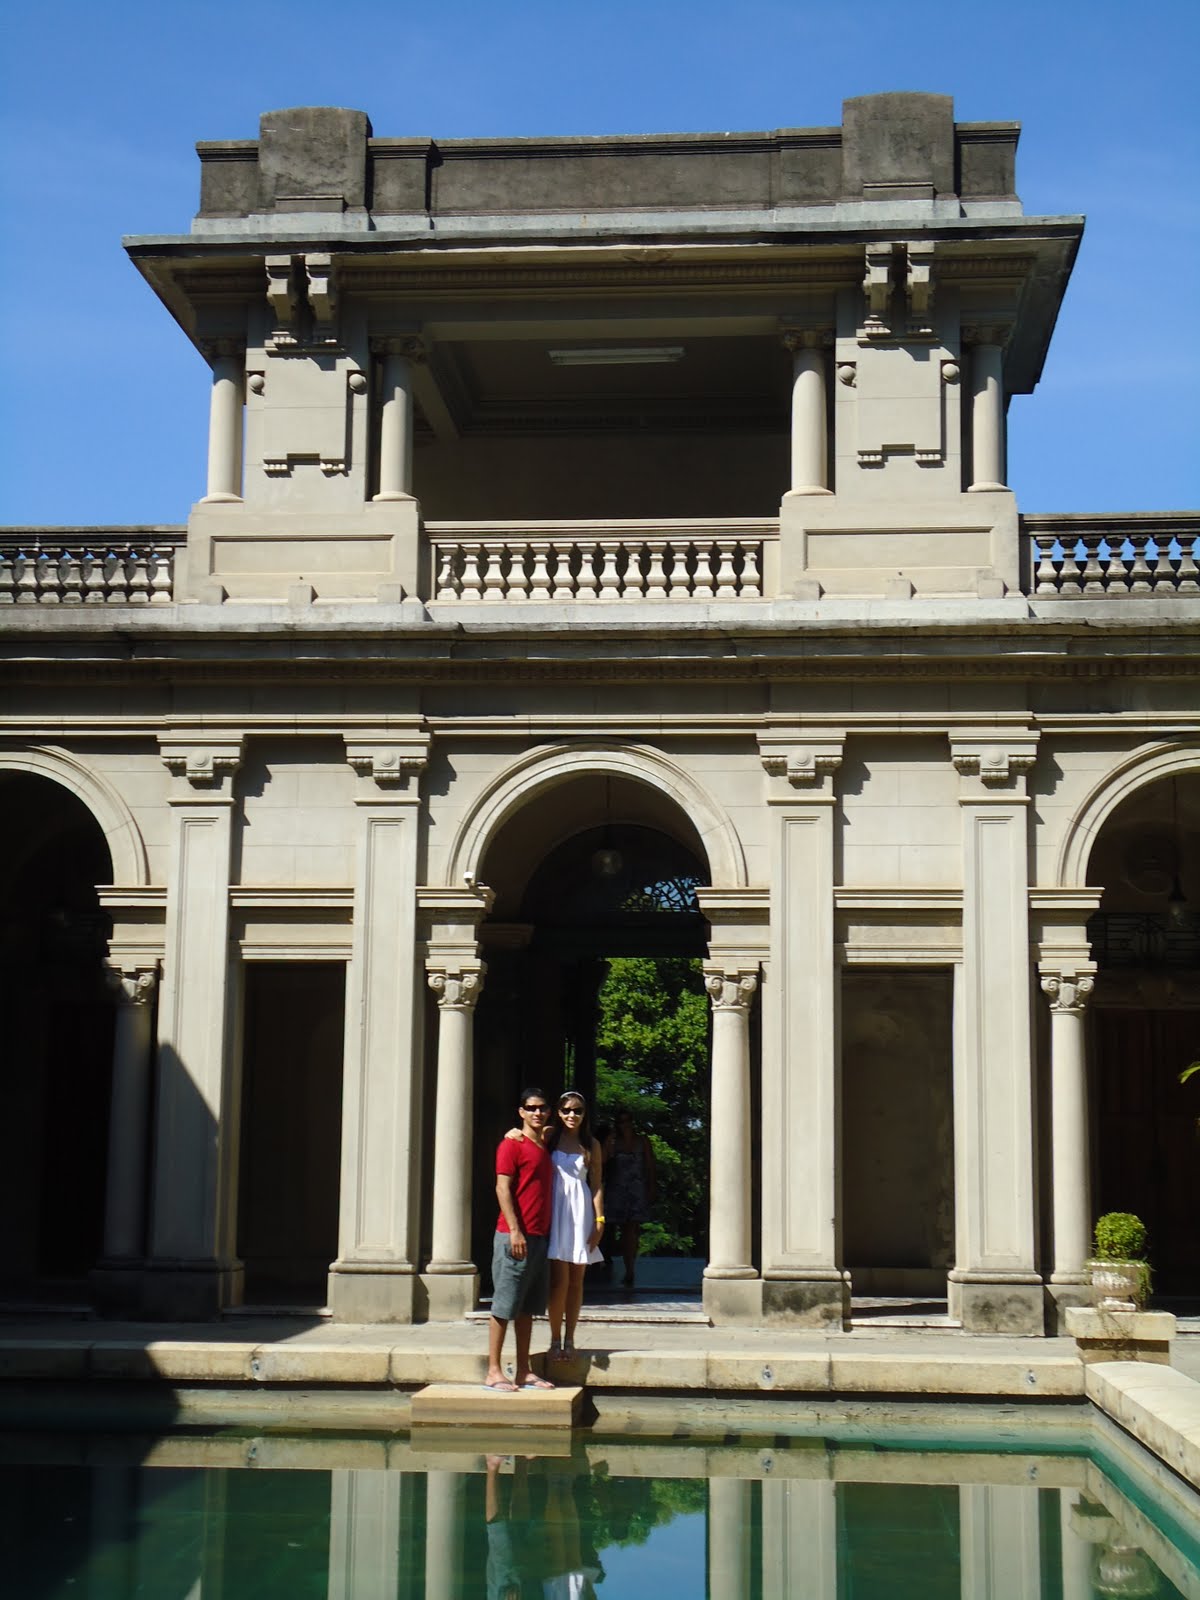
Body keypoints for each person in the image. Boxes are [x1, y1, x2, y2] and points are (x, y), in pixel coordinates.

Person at [487, 1087, 556, 1391]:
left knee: (528, 1308)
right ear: (521, 1111)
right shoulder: (511, 1145)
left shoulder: (543, 1144)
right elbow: (502, 1189)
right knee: (504, 1305)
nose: (537, 1112)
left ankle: (524, 1370)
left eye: (542, 1108)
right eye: (531, 1108)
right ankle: (493, 1371)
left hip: (539, 1238)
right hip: (514, 1236)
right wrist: (515, 1230)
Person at [545, 1091, 605, 1363]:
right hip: (556, 1210)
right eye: (567, 1110)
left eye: (578, 1110)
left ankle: (570, 1338)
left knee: (577, 1281)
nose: (572, 1115)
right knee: (560, 1281)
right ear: (558, 1112)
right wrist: (512, 1132)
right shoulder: (549, 1137)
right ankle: (554, 1338)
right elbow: (522, 1138)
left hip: (580, 1212)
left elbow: (597, 1184)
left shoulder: (591, 1144)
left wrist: (600, 1219)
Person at [603, 1107, 655, 1289]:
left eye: (628, 1121)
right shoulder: (612, 1141)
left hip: (636, 1189)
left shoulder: (642, 1141)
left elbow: (650, 1166)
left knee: (631, 1231)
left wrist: (651, 1188)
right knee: (612, 1229)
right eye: (621, 1122)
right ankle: (608, 1261)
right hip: (616, 1190)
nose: (625, 1125)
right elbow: (601, 1163)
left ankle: (630, 1269)